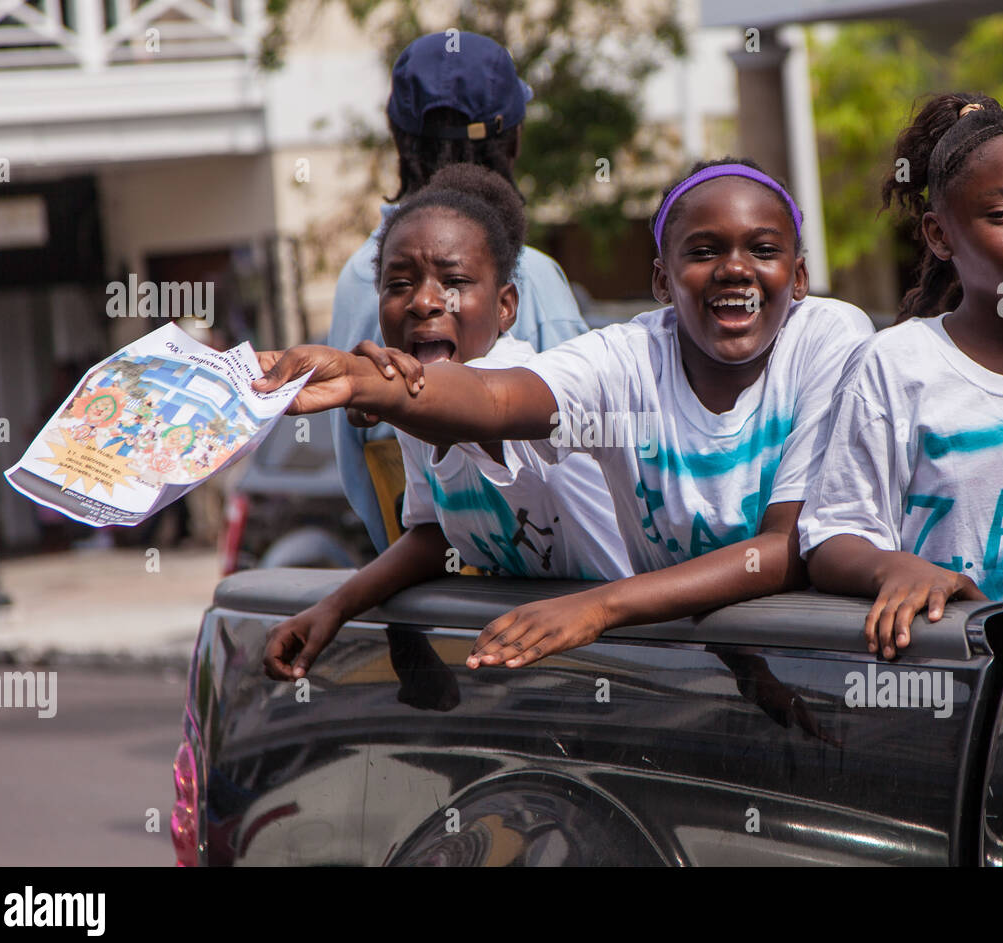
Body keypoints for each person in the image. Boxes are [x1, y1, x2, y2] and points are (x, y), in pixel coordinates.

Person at [255, 157, 874, 670]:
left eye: (762, 249)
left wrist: (597, 606)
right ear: (662, 280)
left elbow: (784, 548)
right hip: (653, 661)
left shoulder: (824, 338)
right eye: (704, 250)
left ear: (799, 277)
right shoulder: (619, 357)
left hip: (804, 660)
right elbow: (442, 514)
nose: (735, 268)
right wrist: (336, 605)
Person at [264, 165, 629, 681]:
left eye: (454, 282)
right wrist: (334, 607)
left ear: (506, 307)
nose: (424, 301)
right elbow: (436, 535)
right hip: (563, 668)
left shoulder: (525, 382)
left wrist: (374, 388)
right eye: (399, 284)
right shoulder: (413, 401)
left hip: (646, 654)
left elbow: (479, 405)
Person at [799, 93, 1003, 661]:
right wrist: (897, 568)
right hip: (966, 679)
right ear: (939, 234)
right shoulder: (899, 363)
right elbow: (831, 537)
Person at [331, 30, 588, 554]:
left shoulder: (357, 279)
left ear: (398, 140)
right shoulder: (531, 276)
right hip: (542, 598)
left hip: (416, 595)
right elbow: (587, 456)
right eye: (403, 285)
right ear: (513, 141)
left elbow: (355, 473)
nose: (425, 303)